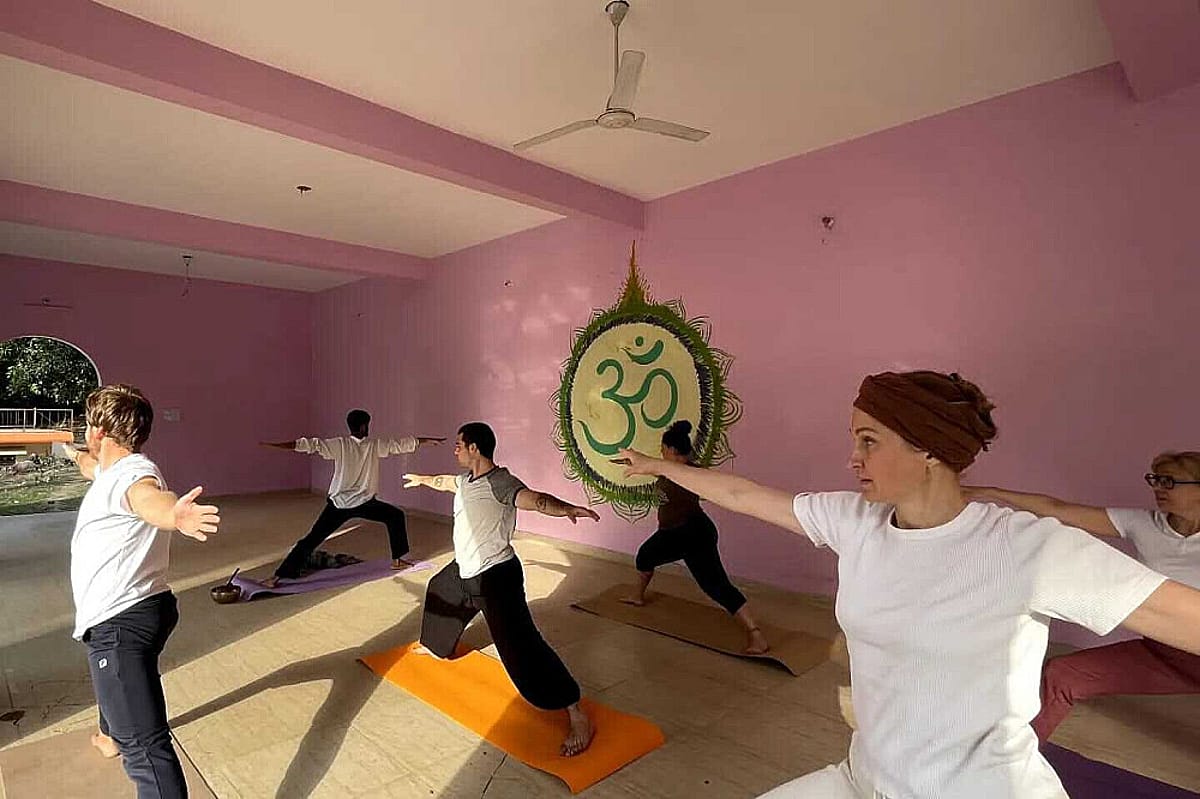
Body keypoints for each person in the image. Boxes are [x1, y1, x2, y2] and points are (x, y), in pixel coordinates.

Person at [616, 370, 1200, 798]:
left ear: (928, 450)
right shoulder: (856, 520)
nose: (852, 457)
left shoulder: (1030, 548)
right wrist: (662, 467)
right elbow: (748, 496)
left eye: (869, 440)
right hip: (867, 779)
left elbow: (1184, 618)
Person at [966, 450, 1200, 740]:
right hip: (1163, 652)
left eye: (1170, 482)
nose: (1158, 488)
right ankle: (1013, 764)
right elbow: (1058, 508)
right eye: (1155, 479)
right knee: (1063, 674)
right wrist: (990, 491)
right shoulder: (1143, 523)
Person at [403, 422, 600, 756]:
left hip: (497, 578)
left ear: (475, 448)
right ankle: (437, 645)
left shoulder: (501, 483)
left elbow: (534, 500)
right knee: (440, 590)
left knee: (521, 646)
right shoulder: (466, 481)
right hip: (465, 571)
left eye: (459, 445)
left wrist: (565, 508)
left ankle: (574, 709)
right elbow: (445, 482)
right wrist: (423, 480)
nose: (455, 450)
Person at [64, 384, 220, 798]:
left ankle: (124, 738)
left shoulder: (132, 475)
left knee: (147, 750)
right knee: (117, 681)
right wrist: (66, 447)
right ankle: (111, 733)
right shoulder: (108, 469)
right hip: (144, 607)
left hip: (120, 622)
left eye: (87, 427)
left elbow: (150, 498)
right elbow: (85, 465)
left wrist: (173, 514)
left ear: (97, 431)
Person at [620, 420, 769, 654]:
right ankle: (636, 596)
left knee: (715, 586)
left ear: (671, 450)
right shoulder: (668, 468)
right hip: (679, 531)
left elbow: (714, 487)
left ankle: (756, 635)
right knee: (645, 556)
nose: (660, 453)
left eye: (662, 449)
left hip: (689, 533)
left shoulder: (691, 473)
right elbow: (654, 466)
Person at [260, 409, 442, 587]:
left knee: (313, 538)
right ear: (364, 426)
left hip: (347, 503)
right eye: (368, 425)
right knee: (394, 516)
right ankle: (398, 559)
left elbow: (309, 445)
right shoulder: (372, 445)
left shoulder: (340, 444)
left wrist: (277, 445)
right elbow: (399, 445)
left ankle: (277, 577)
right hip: (354, 503)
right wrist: (425, 441)